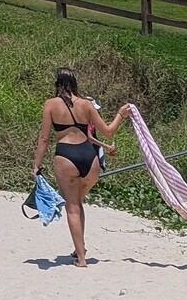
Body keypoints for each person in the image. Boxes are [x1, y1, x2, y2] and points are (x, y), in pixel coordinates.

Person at [32, 68, 128, 267]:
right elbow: (108, 131)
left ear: (57, 83)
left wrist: (36, 165)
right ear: (75, 83)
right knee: (78, 202)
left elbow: (43, 138)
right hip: (89, 157)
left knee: (72, 206)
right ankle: (79, 248)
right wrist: (120, 113)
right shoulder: (86, 104)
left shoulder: (51, 104)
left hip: (66, 155)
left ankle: (82, 259)